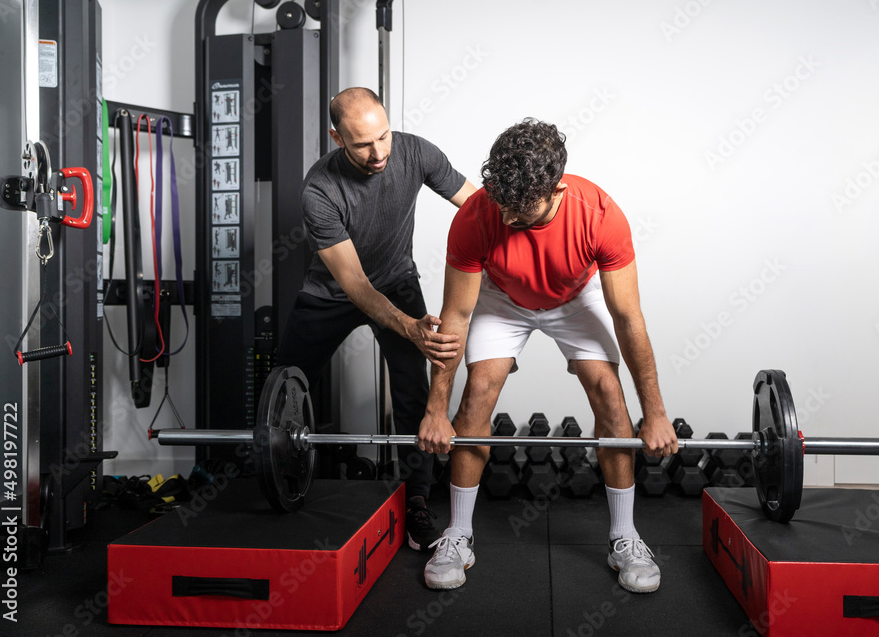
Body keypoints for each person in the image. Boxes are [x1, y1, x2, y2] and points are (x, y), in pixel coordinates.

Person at [417, 118, 678, 593]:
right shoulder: (477, 215)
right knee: (478, 393)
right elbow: (454, 316)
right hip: (502, 298)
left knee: (608, 394)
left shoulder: (599, 214)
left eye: (524, 210)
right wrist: (436, 409)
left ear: (556, 188)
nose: (511, 219)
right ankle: (458, 533)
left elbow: (628, 319)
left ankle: (624, 536)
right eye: (505, 206)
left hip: (574, 297)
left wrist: (655, 415)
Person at [276, 87, 477, 551]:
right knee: (285, 383)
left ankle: (419, 500)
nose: (379, 152)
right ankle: (275, 480)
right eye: (363, 144)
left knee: (414, 393)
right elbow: (356, 286)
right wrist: (407, 325)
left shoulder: (415, 151)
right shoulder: (319, 190)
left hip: (398, 280)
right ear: (336, 138)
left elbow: (477, 206)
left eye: (383, 136)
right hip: (332, 292)